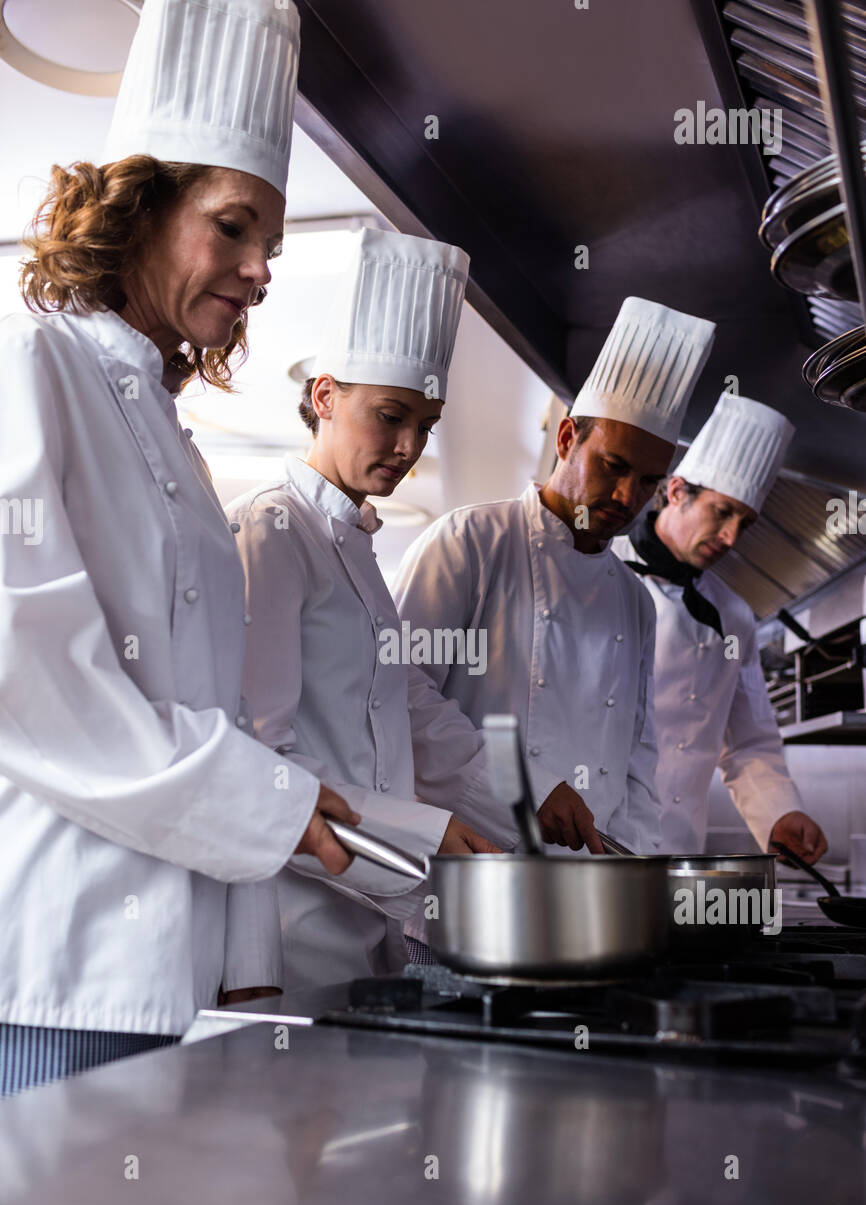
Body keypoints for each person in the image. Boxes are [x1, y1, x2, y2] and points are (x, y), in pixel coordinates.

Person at [0, 0, 358, 1096]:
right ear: (142, 205)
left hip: (184, 967)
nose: (258, 272)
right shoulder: (33, 370)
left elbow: (215, 713)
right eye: (235, 226)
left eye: (271, 247)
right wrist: (268, 806)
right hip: (67, 969)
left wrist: (248, 957)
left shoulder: (176, 440)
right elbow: (29, 676)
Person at [228, 228, 508, 990]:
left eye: (426, 425)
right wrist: (421, 832)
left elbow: (412, 708)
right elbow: (259, 756)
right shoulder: (271, 531)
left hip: (370, 921)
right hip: (292, 929)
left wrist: (527, 800)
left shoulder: (354, 542)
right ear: (325, 396)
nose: (410, 444)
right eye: (390, 415)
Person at [393, 297, 716, 877]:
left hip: (589, 890)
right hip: (472, 884)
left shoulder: (634, 599)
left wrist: (641, 873)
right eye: (613, 466)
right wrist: (530, 788)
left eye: (648, 480)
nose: (626, 498)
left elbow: (638, 762)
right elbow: (403, 693)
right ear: (567, 437)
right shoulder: (471, 543)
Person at [614, 390, 828, 862]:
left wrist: (781, 813)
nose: (731, 537)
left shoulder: (733, 616)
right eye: (723, 512)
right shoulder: (599, 573)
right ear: (676, 492)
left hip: (676, 854)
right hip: (585, 849)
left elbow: (749, 741)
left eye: (745, 523)